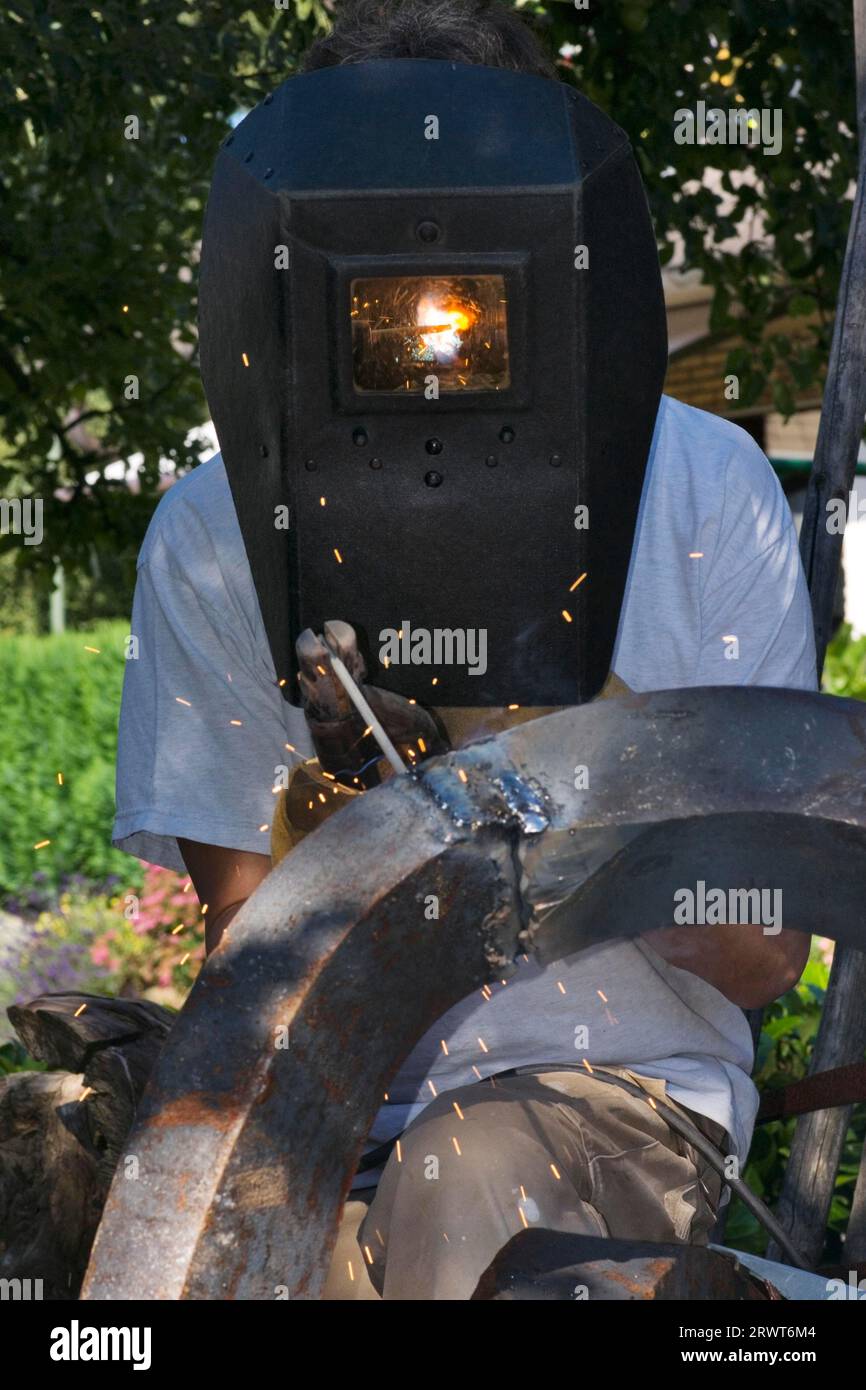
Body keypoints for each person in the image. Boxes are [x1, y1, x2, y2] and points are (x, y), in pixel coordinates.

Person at [113, 0, 815, 1300]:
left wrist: (533, 780)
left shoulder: (705, 488)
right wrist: (370, 819)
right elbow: (245, 956)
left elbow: (758, 950)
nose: (426, 308)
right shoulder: (215, 527)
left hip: (620, 1098)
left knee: (464, 1183)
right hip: (324, 1116)